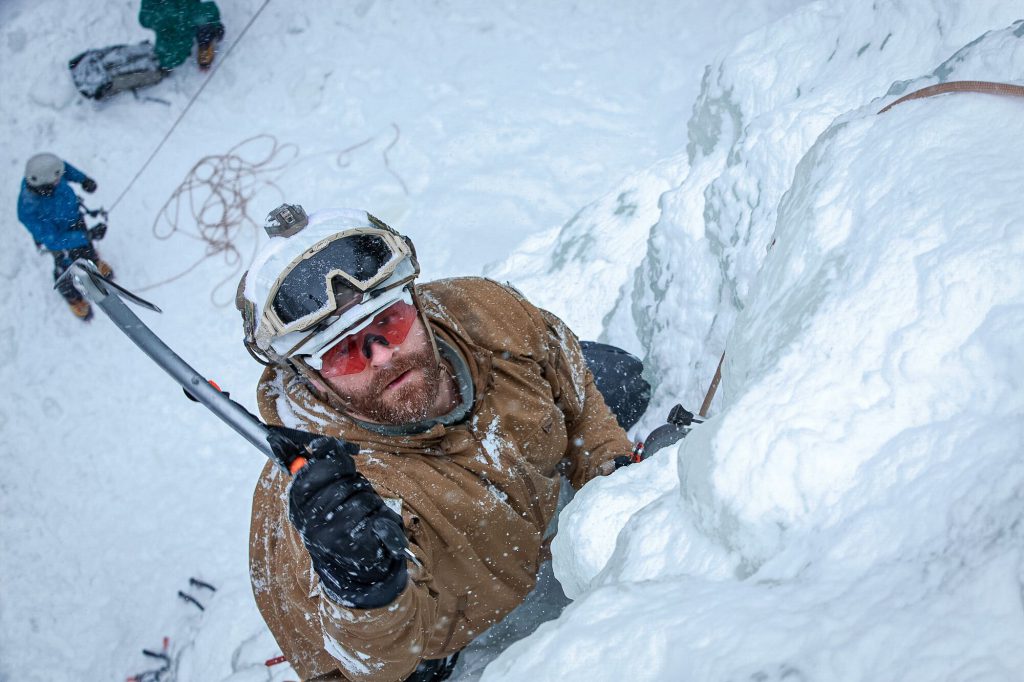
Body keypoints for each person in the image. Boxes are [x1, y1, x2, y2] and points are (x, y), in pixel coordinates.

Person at [238, 206, 648, 681]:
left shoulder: (486, 312)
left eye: (388, 322)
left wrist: (615, 485)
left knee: (622, 378)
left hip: (518, 514)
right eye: (344, 352)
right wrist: (364, 585)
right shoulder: (326, 501)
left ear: (413, 300)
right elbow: (370, 661)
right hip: (430, 643)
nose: (382, 355)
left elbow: (579, 400)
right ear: (308, 377)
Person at [17, 153, 112, 320]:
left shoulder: (48, 179)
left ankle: (94, 264)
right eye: (56, 180)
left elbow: (63, 168)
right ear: (44, 186)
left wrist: (83, 179)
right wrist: (87, 235)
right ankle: (73, 298)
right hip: (61, 240)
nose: (59, 180)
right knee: (65, 268)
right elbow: (53, 240)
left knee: (87, 250)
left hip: (74, 218)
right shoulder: (28, 210)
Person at [138, 0, 225, 71]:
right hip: (170, 27)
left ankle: (206, 40)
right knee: (169, 60)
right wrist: (167, 18)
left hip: (188, 17)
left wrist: (183, 17)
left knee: (205, 16)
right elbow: (144, 17)